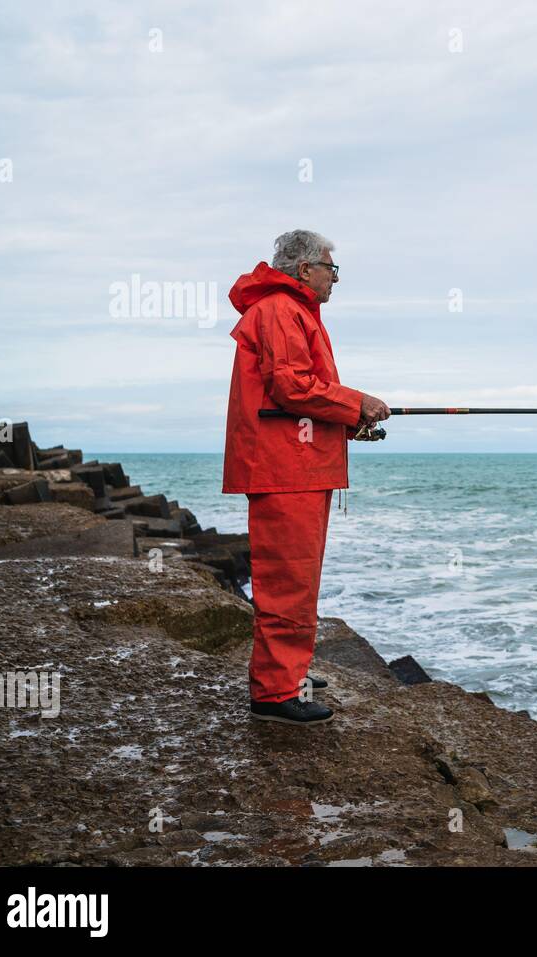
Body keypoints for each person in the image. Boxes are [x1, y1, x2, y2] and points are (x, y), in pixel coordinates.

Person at [222, 229, 390, 725]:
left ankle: (287, 675)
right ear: (305, 270)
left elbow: (296, 395)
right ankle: (275, 694)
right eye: (331, 269)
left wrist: (347, 421)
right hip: (285, 470)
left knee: (297, 580)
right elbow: (292, 385)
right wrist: (357, 403)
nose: (335, 279)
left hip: (295, 465)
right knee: (288, 582)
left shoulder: (292, 310)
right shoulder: (281, 309)